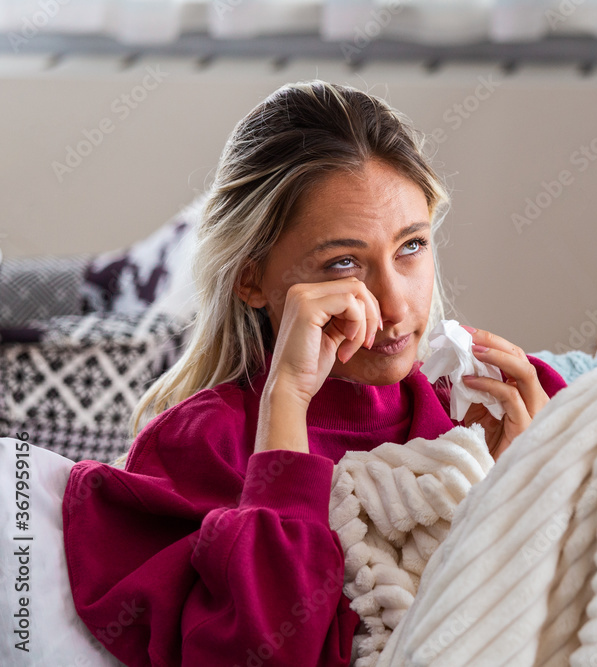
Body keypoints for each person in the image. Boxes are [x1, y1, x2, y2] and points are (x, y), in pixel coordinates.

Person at [61, 80, 567, 667]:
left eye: (411, 248)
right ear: (251, 279)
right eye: (344, 263)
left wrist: (534, 490)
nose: (397, 306)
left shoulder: (507, 401)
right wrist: (288, 404)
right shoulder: (202, 448)